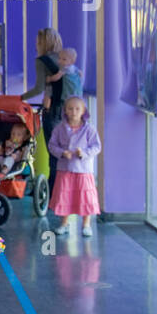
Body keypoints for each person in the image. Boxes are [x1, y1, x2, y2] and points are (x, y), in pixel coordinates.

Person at [47, 96, 101, 235]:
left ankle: (86, 224)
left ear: (83, 111)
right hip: (65, 168)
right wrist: (62, 153)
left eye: (77, 109)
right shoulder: (59, 128)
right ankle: (64, 223)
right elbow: (52, 145)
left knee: (85, 196)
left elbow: (96, 147)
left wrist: (84, 153)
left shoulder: (89, 129)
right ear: (65, 110)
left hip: (83, 169)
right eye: (70, 109)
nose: (74, 112)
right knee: (64, 195)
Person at [20, 27, 65, 191]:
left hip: (52, 112)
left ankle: (53, 190)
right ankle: (64, 188)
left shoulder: (41, 61)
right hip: (68, 112)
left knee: (53, 150)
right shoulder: (64, 59)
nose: (36, 45)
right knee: (64, 151)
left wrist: (20, 98)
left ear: (43, 43)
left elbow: (38, 88)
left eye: (38, 42)